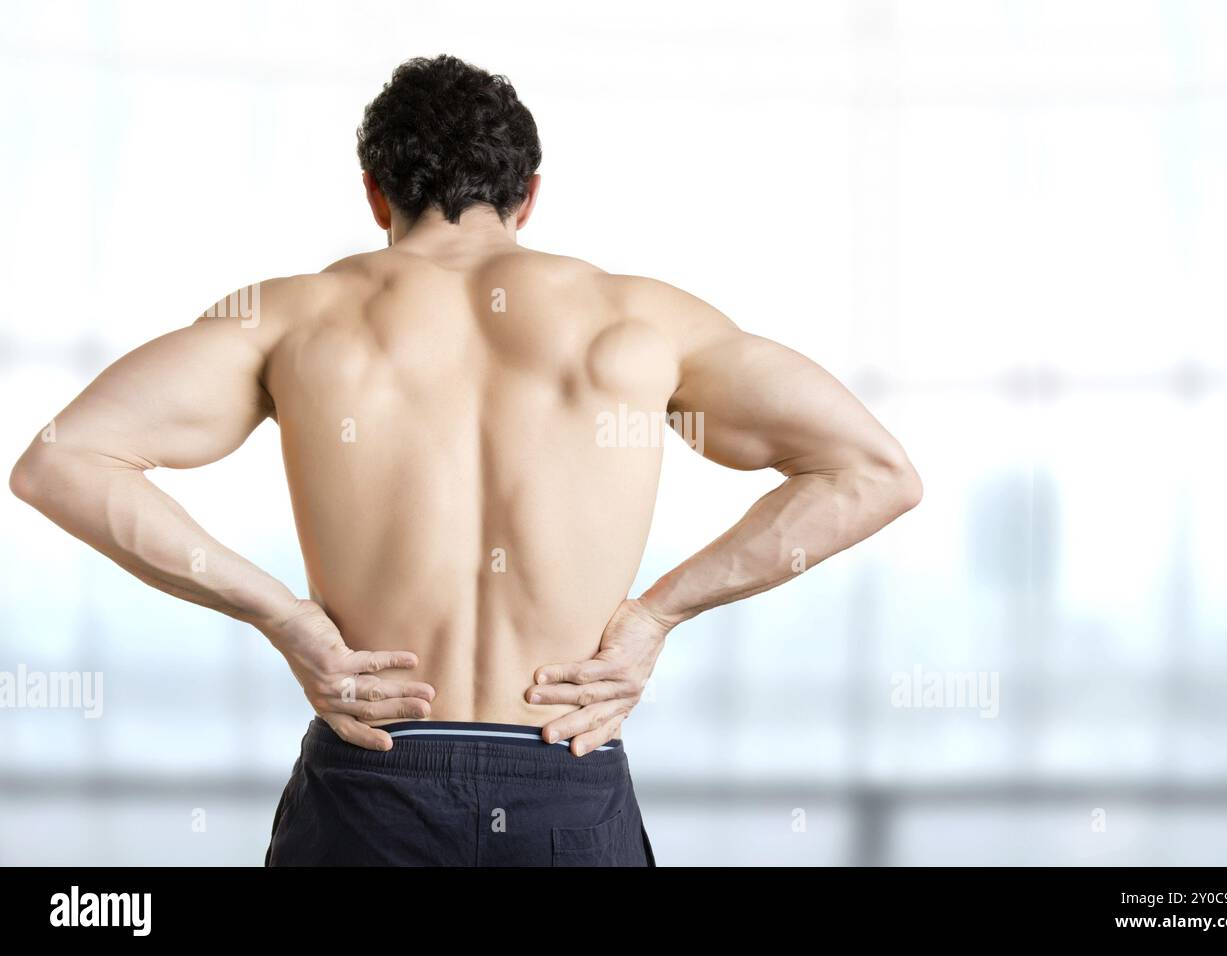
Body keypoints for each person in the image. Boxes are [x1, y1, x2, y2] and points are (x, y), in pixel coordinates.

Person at [9, 54, 921, 866]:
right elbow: (873, 473)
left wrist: (286, 619)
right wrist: (655, 616)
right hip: (565, 771)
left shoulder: (297, 318)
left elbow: (62, 462)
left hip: (374, 780)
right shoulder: (638, 323)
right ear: (529, 194)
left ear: (375, 194)